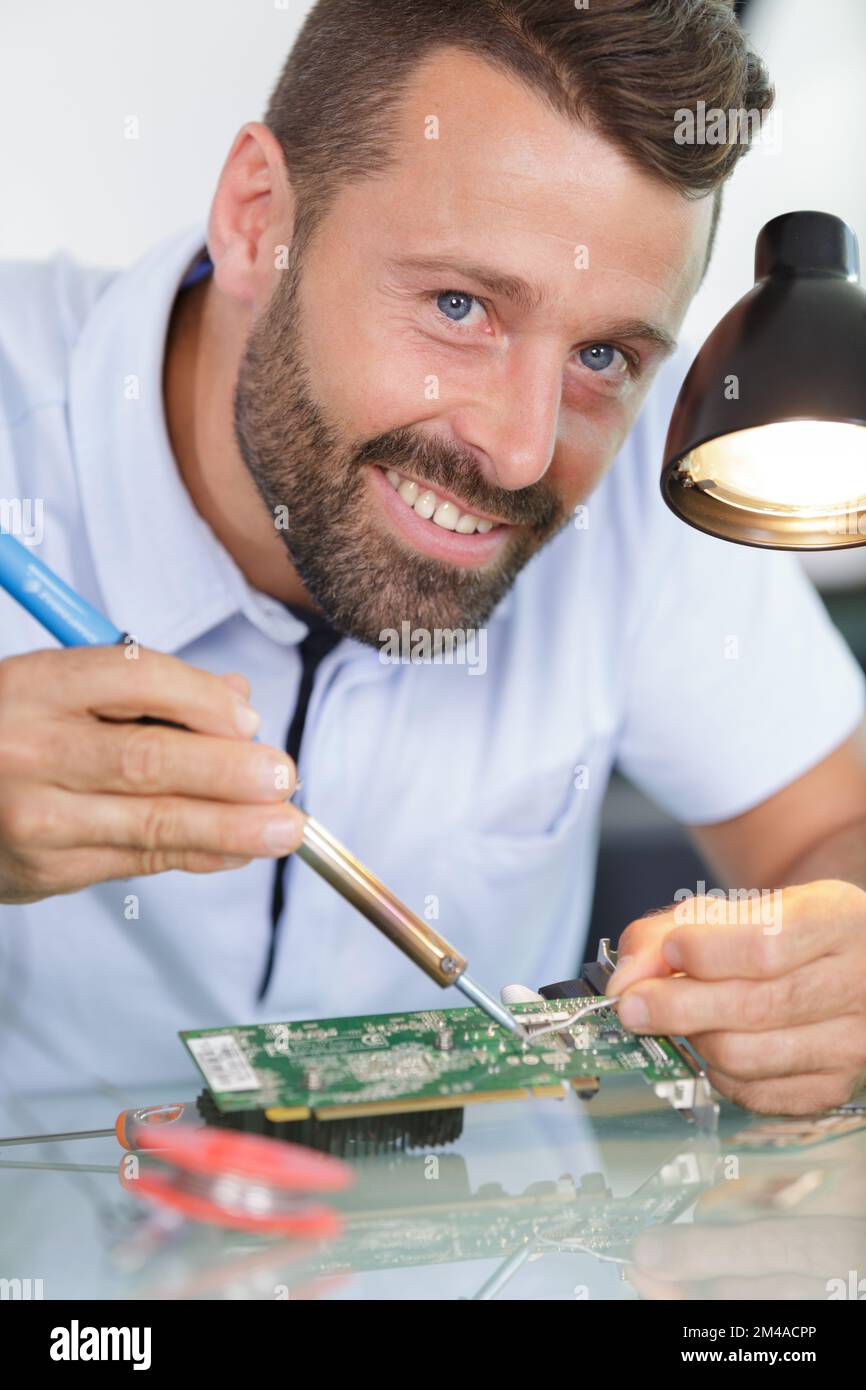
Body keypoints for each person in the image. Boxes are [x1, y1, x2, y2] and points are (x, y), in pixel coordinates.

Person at [1, 0, 864, 1113]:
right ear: (257, 215)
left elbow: (833, 826)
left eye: (602, 351)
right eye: (459, 306)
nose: (517, 452)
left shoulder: (659, 474)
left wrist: (826, 965)